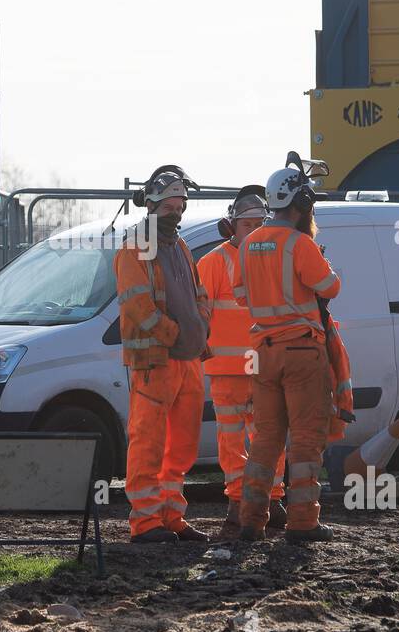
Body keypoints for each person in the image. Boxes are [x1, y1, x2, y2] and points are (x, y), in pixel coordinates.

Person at [232, 154, 341, 543]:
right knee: (306, 441)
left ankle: (250, 520)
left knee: (265, 440)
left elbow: (241, 296)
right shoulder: (300, 244)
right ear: (303, 205)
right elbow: (330, 288)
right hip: (301, 353)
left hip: (263, 352)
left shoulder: (247, 245)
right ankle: (302, 523)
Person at [113, 164, 211, 543]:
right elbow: (137, 303)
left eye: (181, 204)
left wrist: (200, 327)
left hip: (187, 361)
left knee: (181, 446)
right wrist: (174, 334)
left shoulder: (180, 246)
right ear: (152, 205)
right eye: (171, 205)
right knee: (148, 441)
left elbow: (198, 293)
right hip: (155, 362)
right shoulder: (135, 246)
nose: (177, 211)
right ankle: (146, 522)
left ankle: (172, 516)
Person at [197, 185, 287, 539]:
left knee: (270, 438)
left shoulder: (274, 258)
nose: (254, 230)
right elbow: (200, 314)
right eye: (247, 225)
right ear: (231, 226)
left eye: (259, 223)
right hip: (229, 372)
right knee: (233, 443)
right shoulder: (214, 263)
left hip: (265, 368)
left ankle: (271, 500)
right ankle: (239, 503)